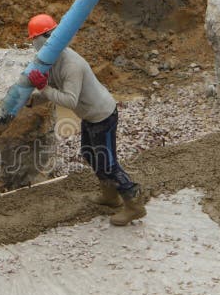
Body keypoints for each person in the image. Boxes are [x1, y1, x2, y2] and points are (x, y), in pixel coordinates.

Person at [26, 14, 145, 225]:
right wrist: (35, 98)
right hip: (89, 115)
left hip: (102, 116)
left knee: (108, 163)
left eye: (36, 38)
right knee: (89, 153)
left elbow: (69, 100)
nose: (35, 44)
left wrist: (43, 88)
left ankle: (134, 203)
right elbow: (54, 87)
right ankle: (110, 196)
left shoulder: (71, 64)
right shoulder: (52, 60)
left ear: (46, 38)